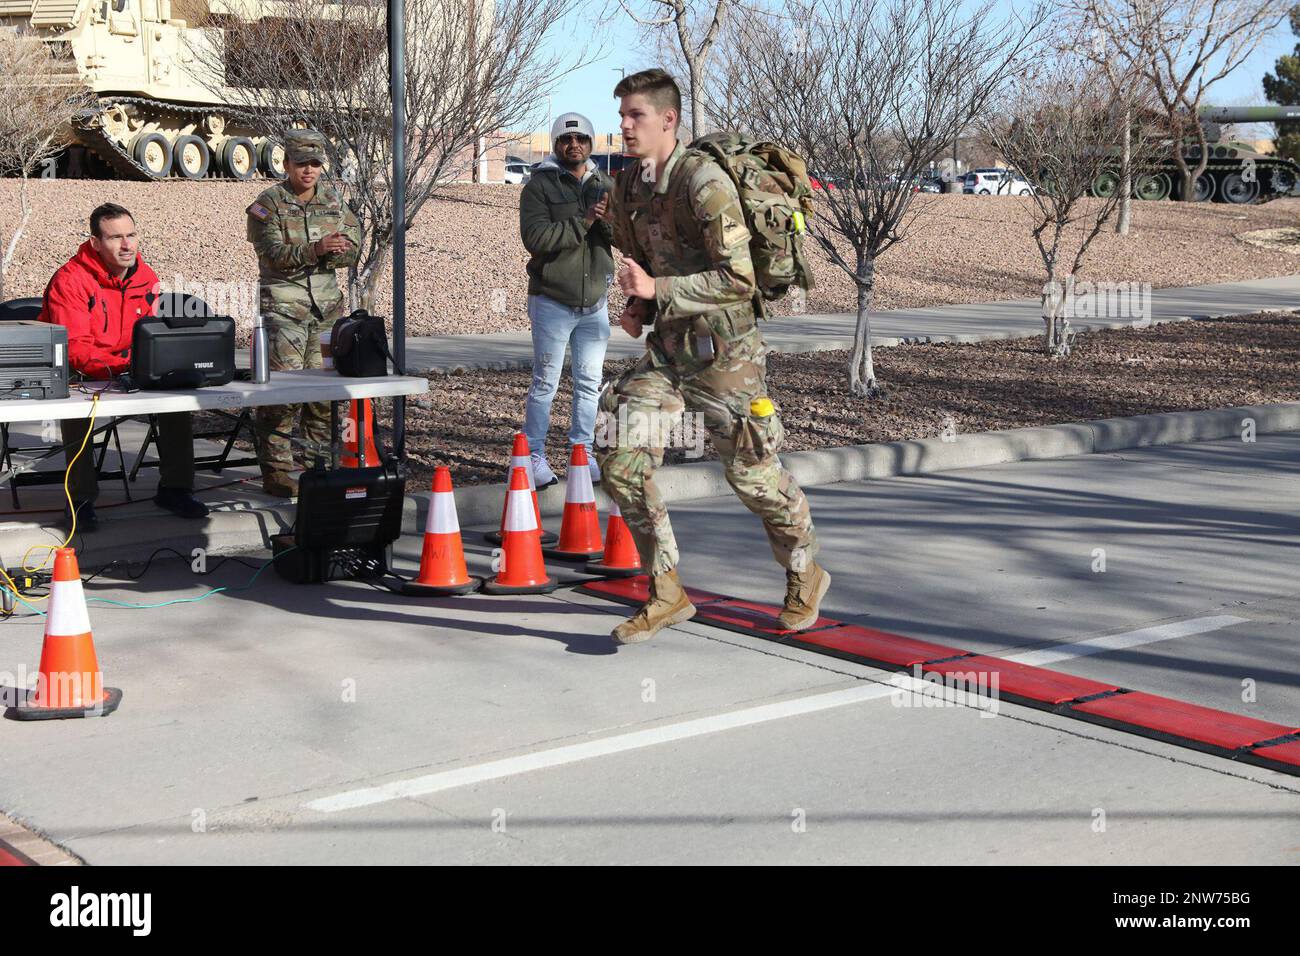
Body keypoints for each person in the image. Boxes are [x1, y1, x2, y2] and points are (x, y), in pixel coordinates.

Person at [599, 68, 829, 645]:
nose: (624, 126)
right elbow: (647, 263)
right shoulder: (627, 187)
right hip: (668, 354)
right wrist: (639, 307)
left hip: (728, 356)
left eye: (636, 116)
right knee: (620, 455)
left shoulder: (703, 183)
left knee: (752, 478)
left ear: (668, 120)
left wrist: (658, 293)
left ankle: (805, 573)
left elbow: (739, 278)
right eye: (622, 115)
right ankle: (667, 591)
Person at [39, 203, 208, 532]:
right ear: (95, 243)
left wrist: (156, 364)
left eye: (131, 235)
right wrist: (125, 366)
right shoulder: (70, 280)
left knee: (177, 400)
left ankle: (175, 489)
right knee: (76, 410)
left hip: (127, 365)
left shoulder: (146, 278)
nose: (127, 244)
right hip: (77, 368)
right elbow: (74, 348)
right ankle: (81, 501)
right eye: (116, 237)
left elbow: (153, 334)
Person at [246, 129, 360, 498]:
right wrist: (316, 249)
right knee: (282, 397)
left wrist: (337, 251)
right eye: (301, 164)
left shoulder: (333, 200)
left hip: (326, 310)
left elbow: (352, 247)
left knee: (324, 397)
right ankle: (277, 473)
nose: (308, 171)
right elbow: (272, 254)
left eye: (315, 164)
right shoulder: (268, 204)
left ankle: (317, 471)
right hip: (285, 310)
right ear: (286, 164)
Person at [518, 112, 616, 488]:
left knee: (590, 382)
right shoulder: (540, 186)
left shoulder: (604, 183)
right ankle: (534, 457)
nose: (573, 145)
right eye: (565, 139)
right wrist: (585, 221)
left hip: (594, 303)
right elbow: (536, 239)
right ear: (555, 144)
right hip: (552, 302)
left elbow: (623, 235)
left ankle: (582, 453)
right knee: (546, 382)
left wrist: (608, 221)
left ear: (591, 144)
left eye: (581, 139)